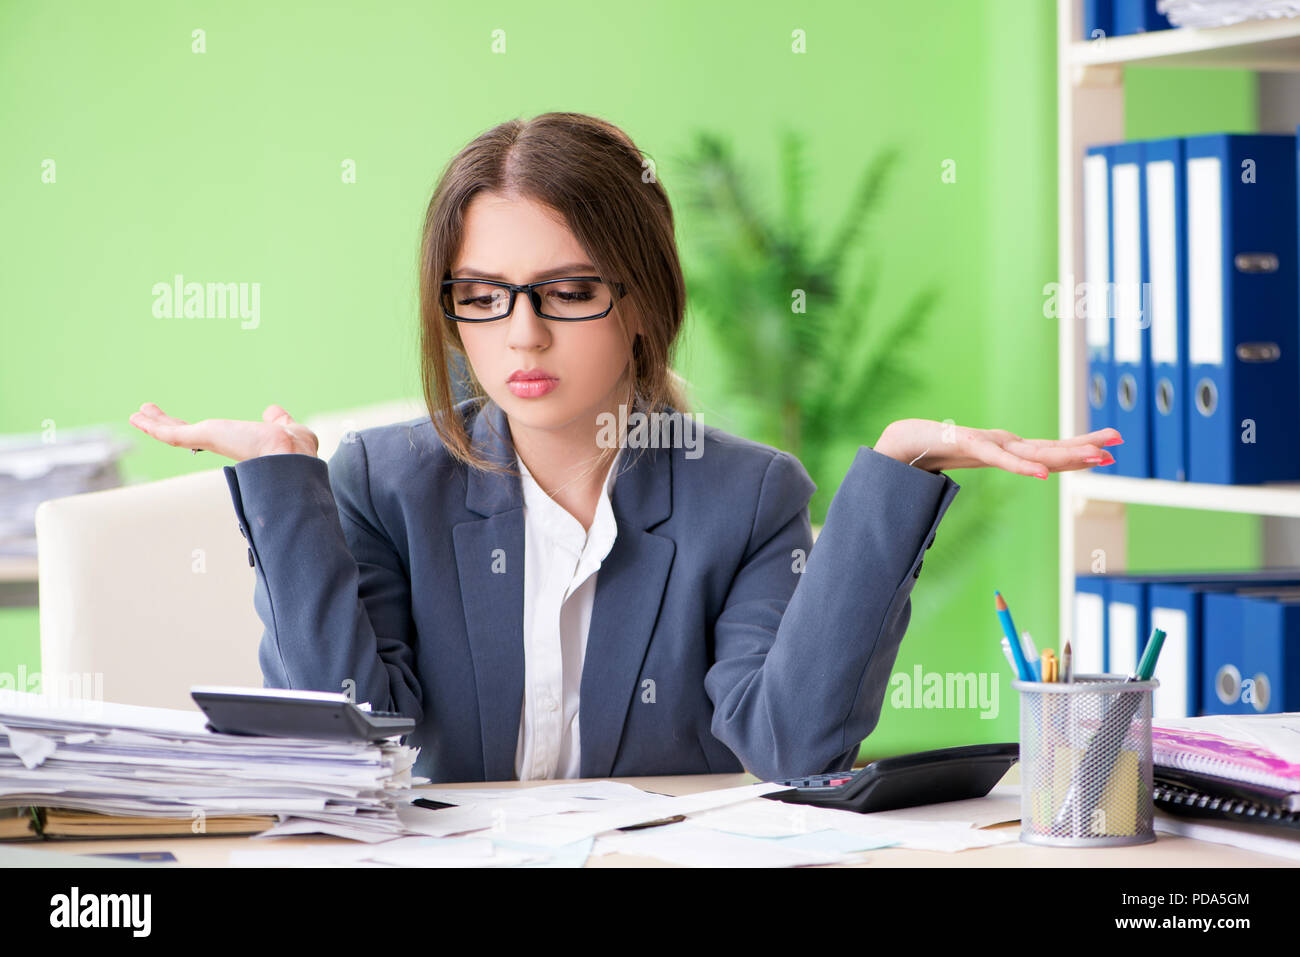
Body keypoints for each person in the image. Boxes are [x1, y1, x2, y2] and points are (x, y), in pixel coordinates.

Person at [128, 112, 1120, 783]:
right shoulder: (385, 484)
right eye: (482, 297)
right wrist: (282, 486)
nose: (521, 336)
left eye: (568, 292)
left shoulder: (746, 494)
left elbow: (790, 745)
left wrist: (893, 476)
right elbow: (346, 745)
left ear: (640, 301)